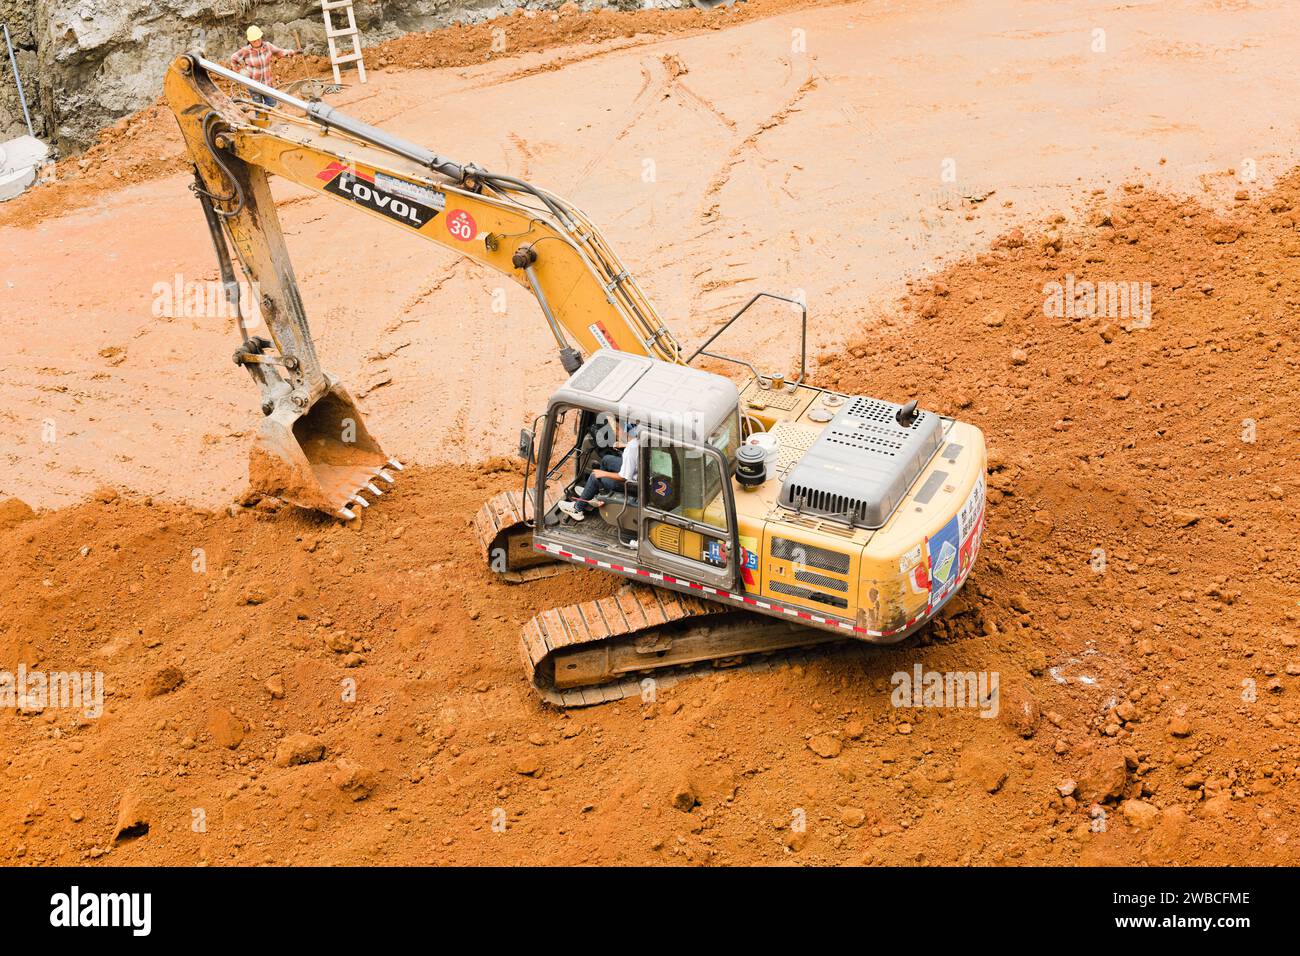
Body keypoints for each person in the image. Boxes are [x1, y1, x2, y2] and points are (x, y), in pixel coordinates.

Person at [557, 422, 639, 521]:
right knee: (606, 459)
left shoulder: (630, 451)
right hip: (637, 471)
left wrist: (603, 473)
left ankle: (577, 509)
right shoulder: (636, 441)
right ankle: (594, 492)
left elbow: (624, 477)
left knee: (594, 476)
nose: (616, 433)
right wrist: (624, 444)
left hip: (634, 485)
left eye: (617, 429)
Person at [231, 26, 298, 107]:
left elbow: (280, 52)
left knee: (272, 103)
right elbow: (233, 58)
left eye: (258, 39)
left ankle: (266, 113)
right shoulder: (246, 51)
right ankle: (261, 118)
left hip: (267, 83)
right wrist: (239, 71)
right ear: (250, 41)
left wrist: (294, 52)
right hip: (253, 85)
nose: (257, 42)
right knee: (258, 105)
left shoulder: (268, 47)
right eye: (254, 40)